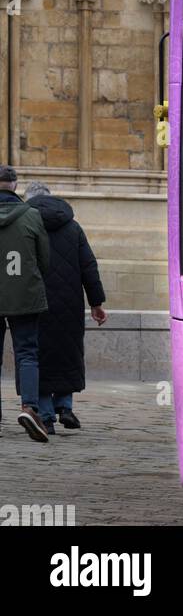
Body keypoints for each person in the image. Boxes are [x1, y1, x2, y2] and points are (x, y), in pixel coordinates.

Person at [23, 182, 106, 434]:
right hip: (69, 302)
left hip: (34, 301)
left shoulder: (24, 225)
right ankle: (65, 406)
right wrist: (96, 303)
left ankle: (46, 415)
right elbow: (88, 266)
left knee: (38, 355)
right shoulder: (72, 227)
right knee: (67, 351)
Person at [0, 165, 50, 442]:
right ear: (15, 186)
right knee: (27, 353)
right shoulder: (31, 216)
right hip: (24, 295)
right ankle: (30, 407)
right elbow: (45, 260)